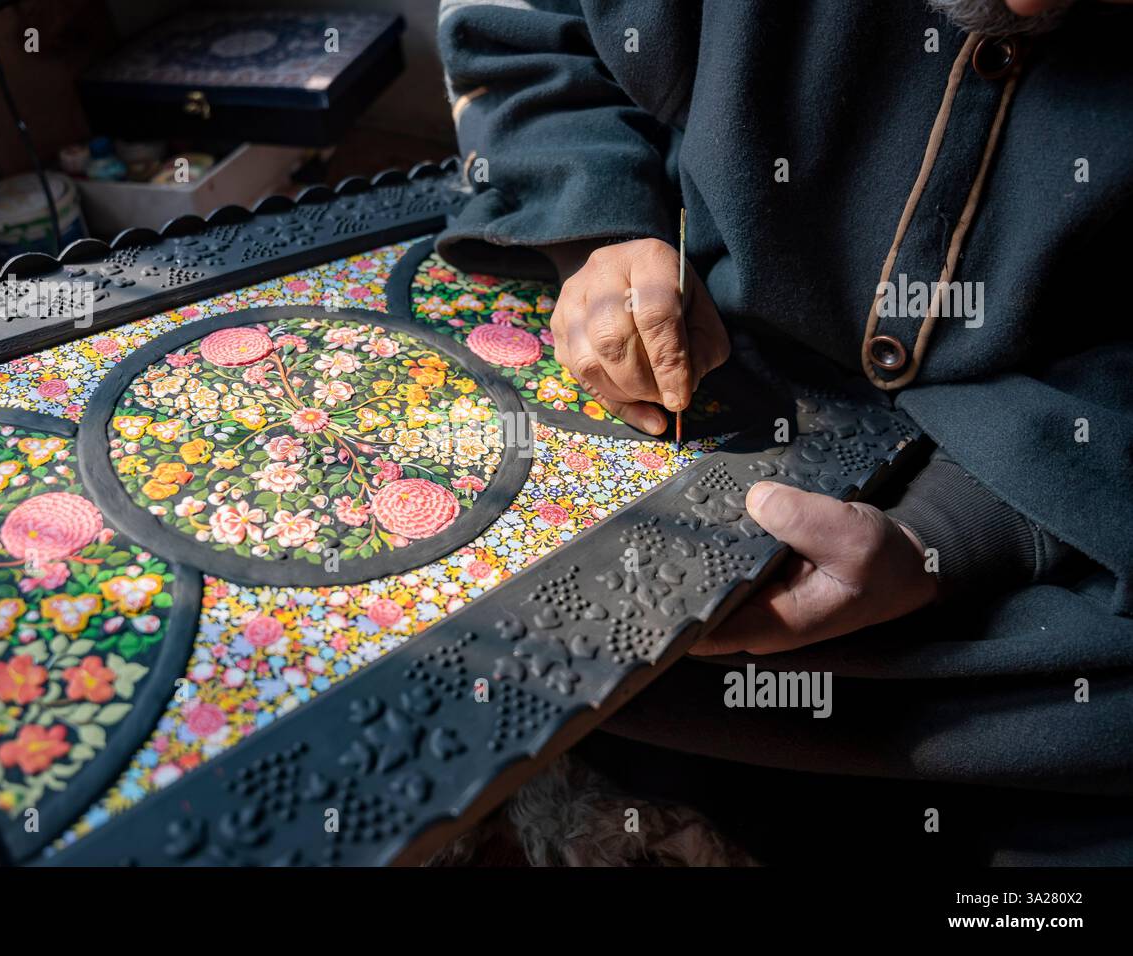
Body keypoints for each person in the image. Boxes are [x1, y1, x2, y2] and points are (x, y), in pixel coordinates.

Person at [434, 0, 1133, 863]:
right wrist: (599, 221)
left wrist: (954, 533)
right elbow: (526, 35)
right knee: (489, 578)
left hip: (1053, 514)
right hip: (728, 369)